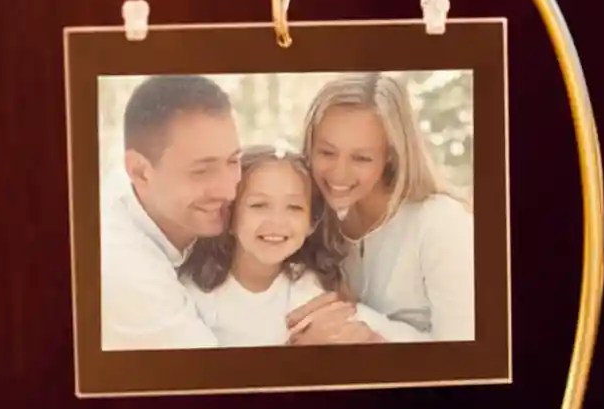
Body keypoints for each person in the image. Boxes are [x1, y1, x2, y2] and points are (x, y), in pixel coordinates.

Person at [290, 73, 476, 342]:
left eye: (361, 158)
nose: (339, 174)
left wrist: (370, 334)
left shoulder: (441, 223)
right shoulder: (310, 223)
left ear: (390, 155)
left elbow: (467, 357)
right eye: (327, 153)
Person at [179, 146, 396, 346]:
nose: (277, 221)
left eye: (293, 207)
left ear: (312, 222)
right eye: (259, 205)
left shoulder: (310, 291)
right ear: (229, 216)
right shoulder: (193, 294)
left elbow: (389, 338)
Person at [100, 75, 241, 350]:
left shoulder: (162, 205)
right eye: (202, 171)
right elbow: (214, 381)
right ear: (140, 171)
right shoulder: (122, 270)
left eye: (233, 161)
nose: (228, 192)